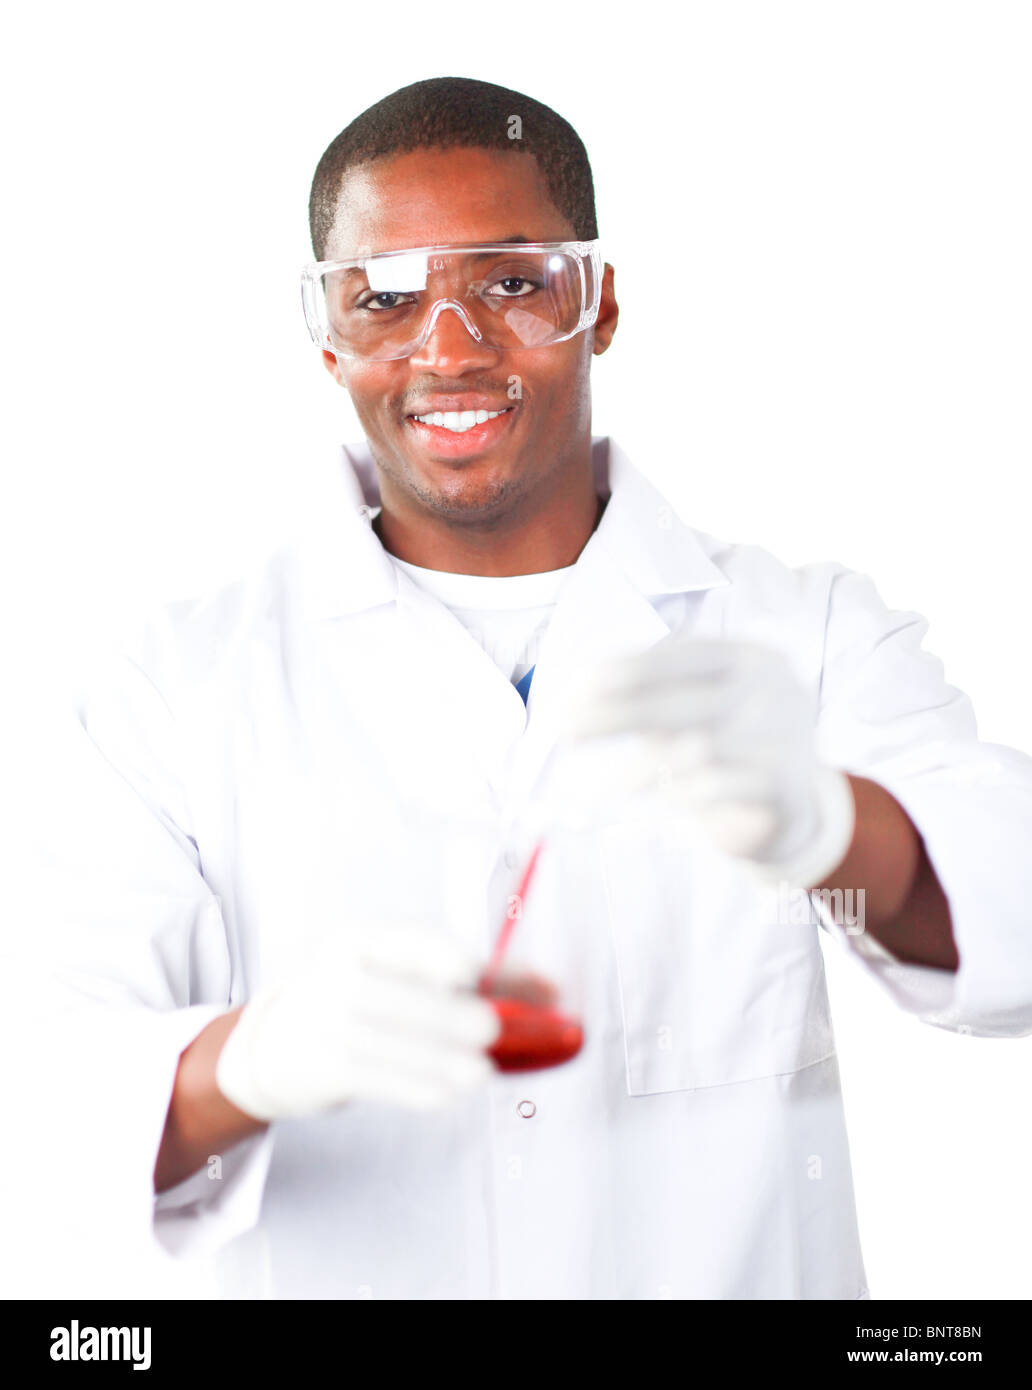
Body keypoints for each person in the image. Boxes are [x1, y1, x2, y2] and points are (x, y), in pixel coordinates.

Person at [11, 75, 1032, 1300]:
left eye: (510, 280)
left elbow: (1005, 927)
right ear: (327, 333)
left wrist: (834, 832)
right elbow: (49, 1112)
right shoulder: (172, 690)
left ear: (597, 304)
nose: (447, 346)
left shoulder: (799, 634)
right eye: (384, 294)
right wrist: (251, 1061)